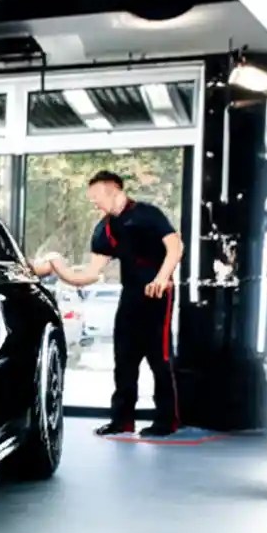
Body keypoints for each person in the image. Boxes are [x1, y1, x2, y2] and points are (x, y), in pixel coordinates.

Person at [31, 171, 184, 437]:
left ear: (113, 189)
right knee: (124, 360)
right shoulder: (105, 229)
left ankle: (166, 422)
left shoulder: (148, 214)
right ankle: (122, 421)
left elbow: (175, 247)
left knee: (160, 360)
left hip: (158, 295)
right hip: (130, 295)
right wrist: (58, 266)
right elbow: (89, 275)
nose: (93, 203)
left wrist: (162, 278)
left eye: (96, 196)